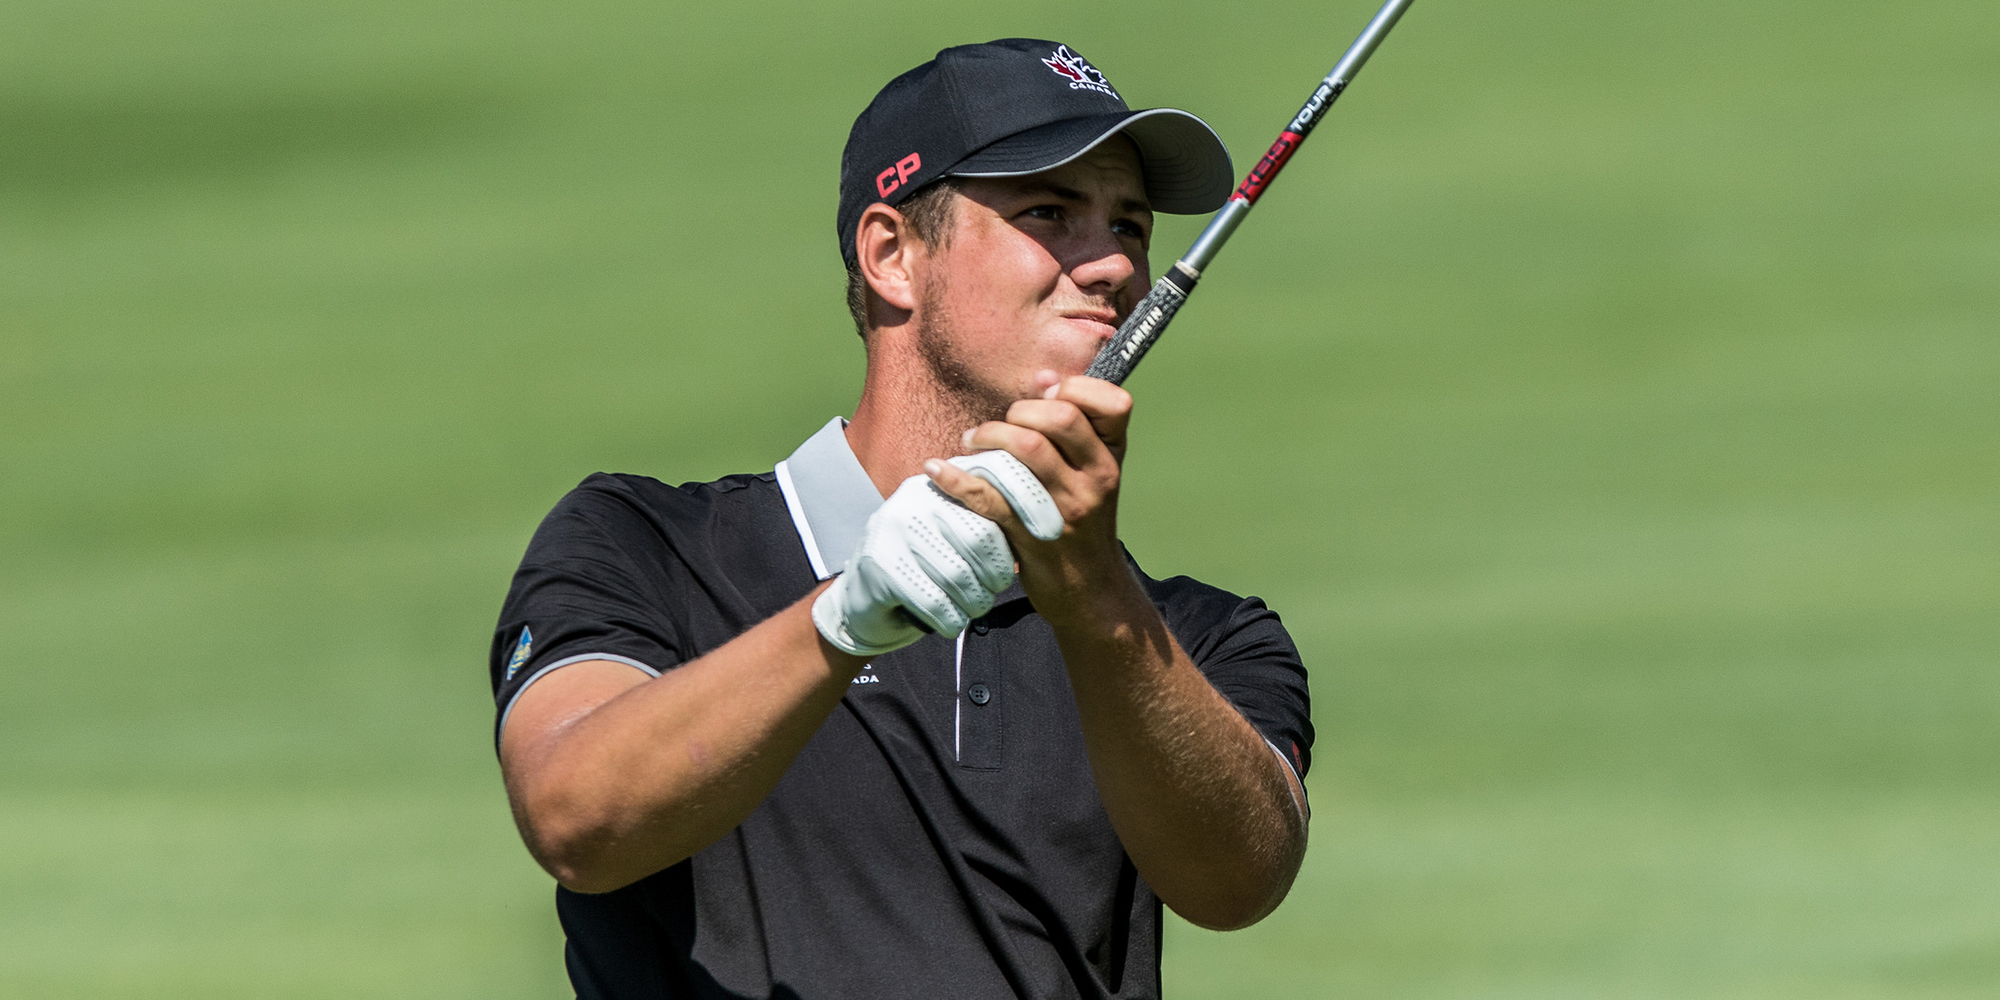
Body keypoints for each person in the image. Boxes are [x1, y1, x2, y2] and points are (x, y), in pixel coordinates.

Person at [489, 38, 1313, 999]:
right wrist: (848, 618)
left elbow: (1240, 880)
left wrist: (1094, 600)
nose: (1112, 267)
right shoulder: (642, 544)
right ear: (892, 255)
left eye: (1129, 226)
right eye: (1049, 212)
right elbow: (576, 817)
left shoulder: (1198, 638)